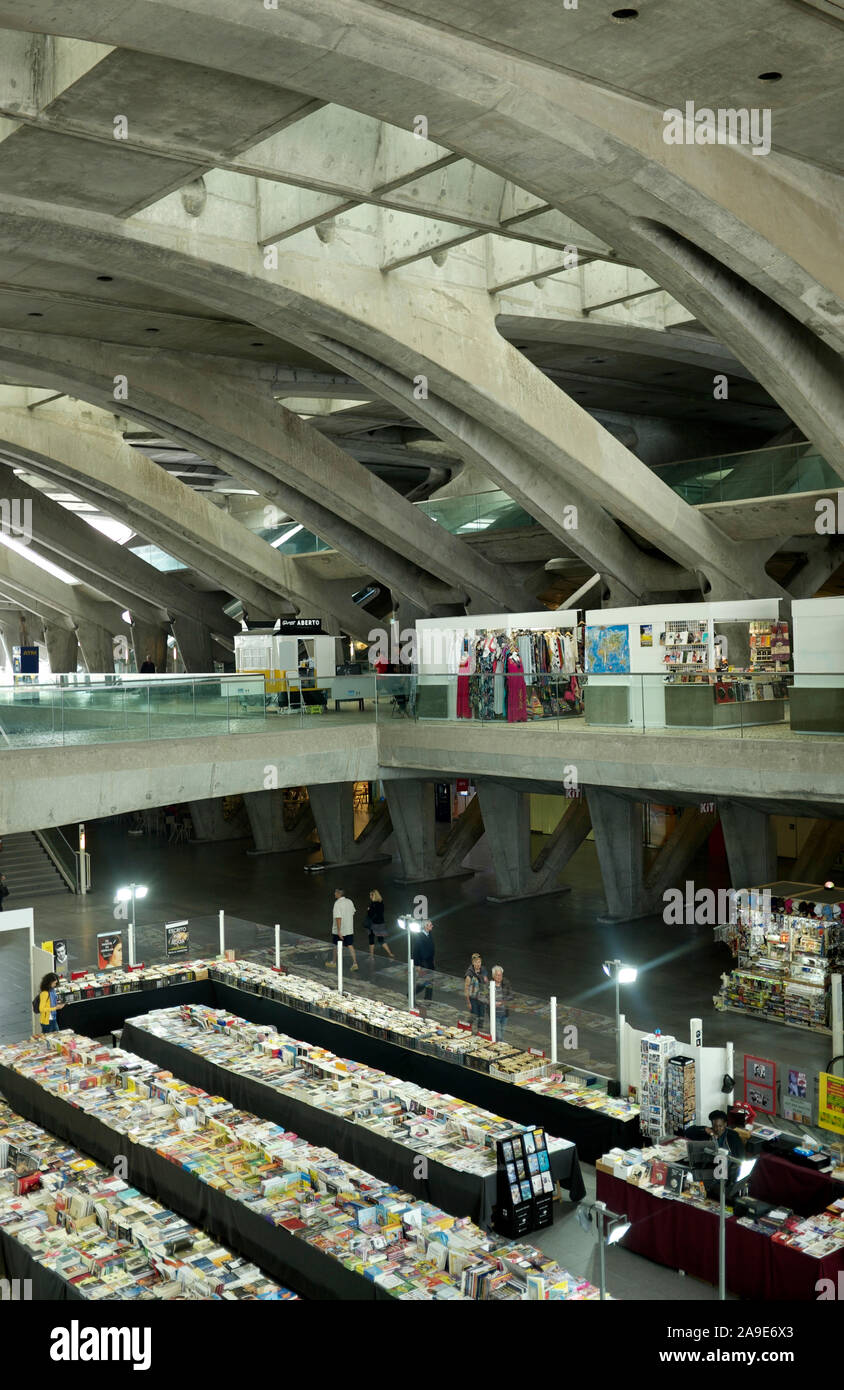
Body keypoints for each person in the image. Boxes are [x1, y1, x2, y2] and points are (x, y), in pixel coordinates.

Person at [325, 887, 358, 971]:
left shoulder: (337, 903)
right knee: (350, 945)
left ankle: (334, 962)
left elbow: (338, 918)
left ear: (339, 894)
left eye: (335, 892)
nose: (334, 894)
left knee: (336, 945)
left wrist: (339, 931)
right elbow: (353, 912)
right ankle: (355, 963)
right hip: (349, 929)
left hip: (339, 930)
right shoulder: (349, 901)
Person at [412, 919, 436, 1014]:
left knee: (430, 983)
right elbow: (415, 952)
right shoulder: (419, 937)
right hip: (423, 963)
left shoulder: (429, 935)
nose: (432, 926)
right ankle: (411, 994)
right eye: (430, 925)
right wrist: (417, 965)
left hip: (430, 963)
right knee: (423, 983)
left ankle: (428, 1000)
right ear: (426, 926)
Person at [464, 952, 489, 1033]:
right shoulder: (469, 974)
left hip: (482, 998)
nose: (478, 964)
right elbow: (466, 988)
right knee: (473, 1015)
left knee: (481, 1016)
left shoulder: (483, 969)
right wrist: (468, 1002)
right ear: (472, 962)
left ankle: (479, 1032)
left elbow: (486, 981)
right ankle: (467, 1030)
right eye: (476, 962)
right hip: (473, 998)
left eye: (479, 962)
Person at [487, 964, 514, 1039]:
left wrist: (502, 1002)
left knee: (502, 1033)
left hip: (504, 1014)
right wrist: (491, 1002)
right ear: (493, 976)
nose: (499, 977)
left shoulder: (506, 983)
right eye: (497, 975)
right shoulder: (489, 985)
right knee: (499, 1036)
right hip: (495, 1014)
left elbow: (511, 995)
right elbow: (482, 996)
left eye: (501, 975)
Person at [366, 889, 394, 959]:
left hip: (373, 924)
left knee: (371, 939)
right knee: (381, 940)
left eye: (370, 895)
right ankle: (390, 953)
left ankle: (371, 956)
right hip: (380, 924)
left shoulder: (373, 904)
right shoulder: (381, 903)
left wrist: (369, 910)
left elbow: (370, 915)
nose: (369, 896)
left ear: (373, 896)